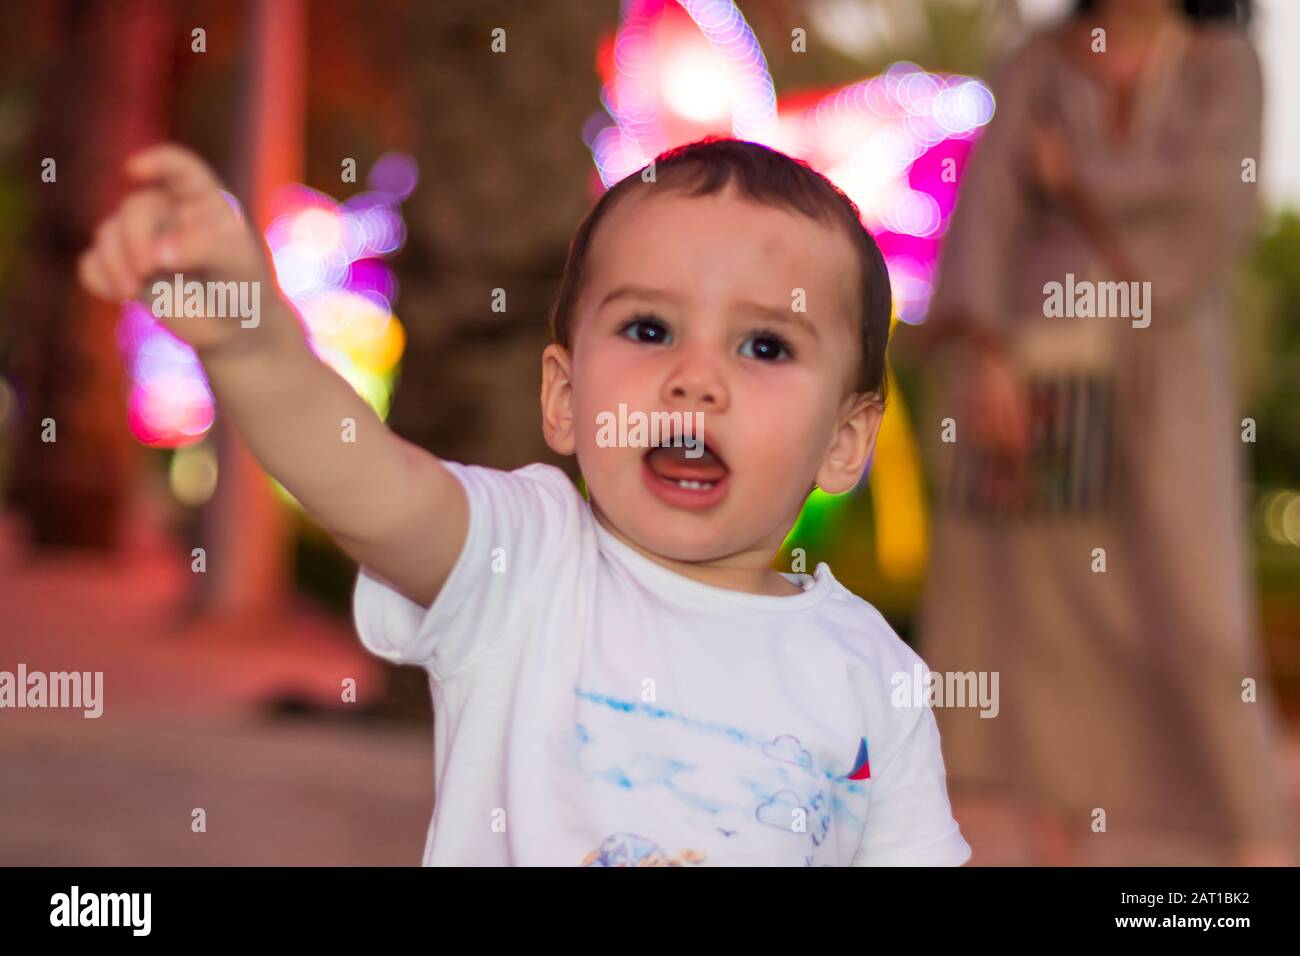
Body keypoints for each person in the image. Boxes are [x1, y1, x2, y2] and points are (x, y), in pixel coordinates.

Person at [77, 137, 971, 866]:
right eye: (649, 329)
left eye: (766, 347)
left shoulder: (874, 675)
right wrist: (250, 338)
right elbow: (366, 485)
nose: (695, 380)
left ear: (847, 440)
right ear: (563, 398)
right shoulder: (527, 561)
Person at [913, 0, 1291, 865]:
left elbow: (1214, 209)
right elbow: (987, 218)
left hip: (1174, 374)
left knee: (1201, 609)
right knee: (1045, 606)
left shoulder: (1223, 65)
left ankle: (1255, 842)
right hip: (1038, 381)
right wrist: (987, 357)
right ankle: (1060, 836)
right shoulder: (1038, 61)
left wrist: (1076, 173)